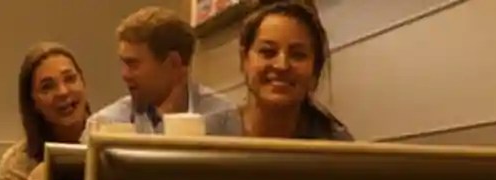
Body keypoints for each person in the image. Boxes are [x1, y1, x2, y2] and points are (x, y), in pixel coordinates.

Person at [87, 6, 240, 136]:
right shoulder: (105, 124)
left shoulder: (222, 119)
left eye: (133, 64)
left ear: (174, 63)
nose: (124, 75)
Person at [0, 42, 91, 180]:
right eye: (47, 87)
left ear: (84, 83)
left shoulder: (110, 146)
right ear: (33, 103)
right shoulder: (18, 163)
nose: (63, 92)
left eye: (70, 79)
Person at [237, 1, 352, 140]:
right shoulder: (208, 134)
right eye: (268, 52)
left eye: (298, 55)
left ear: (315, 70)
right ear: (244, 59)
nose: (282, 65)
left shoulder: (339, 148)